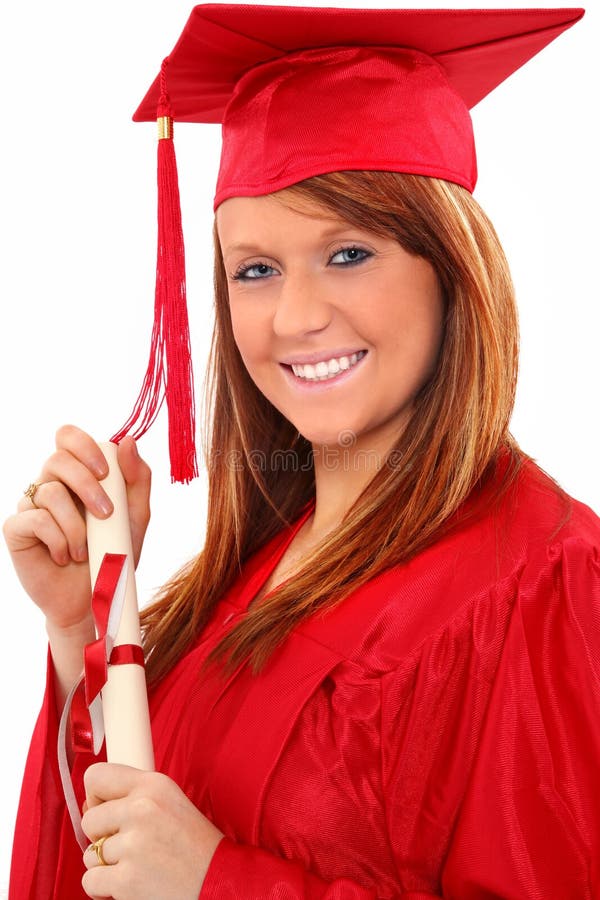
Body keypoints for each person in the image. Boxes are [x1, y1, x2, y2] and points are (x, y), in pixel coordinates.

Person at [4, 5, 599, 899]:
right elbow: (119, 855)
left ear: (453, 270)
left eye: (349, 252)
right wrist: (88, 624)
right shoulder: (258, 568)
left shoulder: (546, 584)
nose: (293, 317)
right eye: (255, 269)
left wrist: (218, 883)